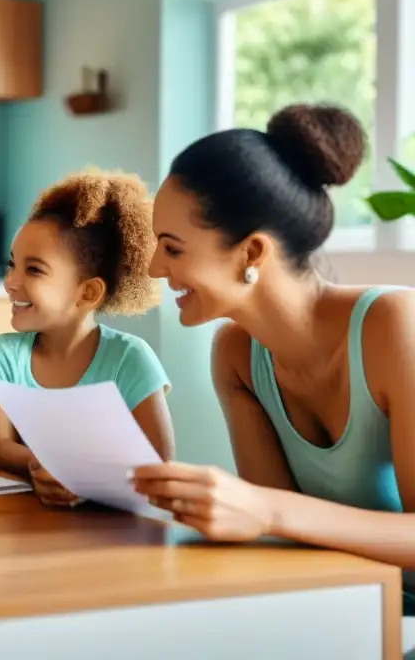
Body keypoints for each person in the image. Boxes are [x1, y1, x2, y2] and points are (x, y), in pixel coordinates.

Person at [133, 102, 415, 615]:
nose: (154, 268)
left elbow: (272, 514)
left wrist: (265, 509)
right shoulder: (236, 356)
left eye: (172, 249)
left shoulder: (393, 326)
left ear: (252, 253)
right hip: (344, 611)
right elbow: (280, 545)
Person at [0, 169, 174, 506]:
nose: (10, 282)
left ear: (88, 293)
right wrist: (44, 468)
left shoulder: (131, 359)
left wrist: (80, 476)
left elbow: (159, 460)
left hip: (119, 523)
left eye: (34, 269)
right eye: (12, 265)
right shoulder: (1, 355)